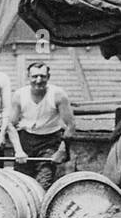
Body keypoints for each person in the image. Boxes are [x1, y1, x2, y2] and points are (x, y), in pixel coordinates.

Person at [6, 60, 76, 190]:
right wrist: (18, 150)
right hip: (26, 140)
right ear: (28, 78)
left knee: (43, 183)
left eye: (42, 76)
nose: (38, 80)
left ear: (48, 77)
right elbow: (10, 124)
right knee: (21, 184)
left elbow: (71, 125)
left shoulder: (58, 95)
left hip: (49, 141)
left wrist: (61, 151)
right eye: (34, 76)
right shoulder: (19, 95)